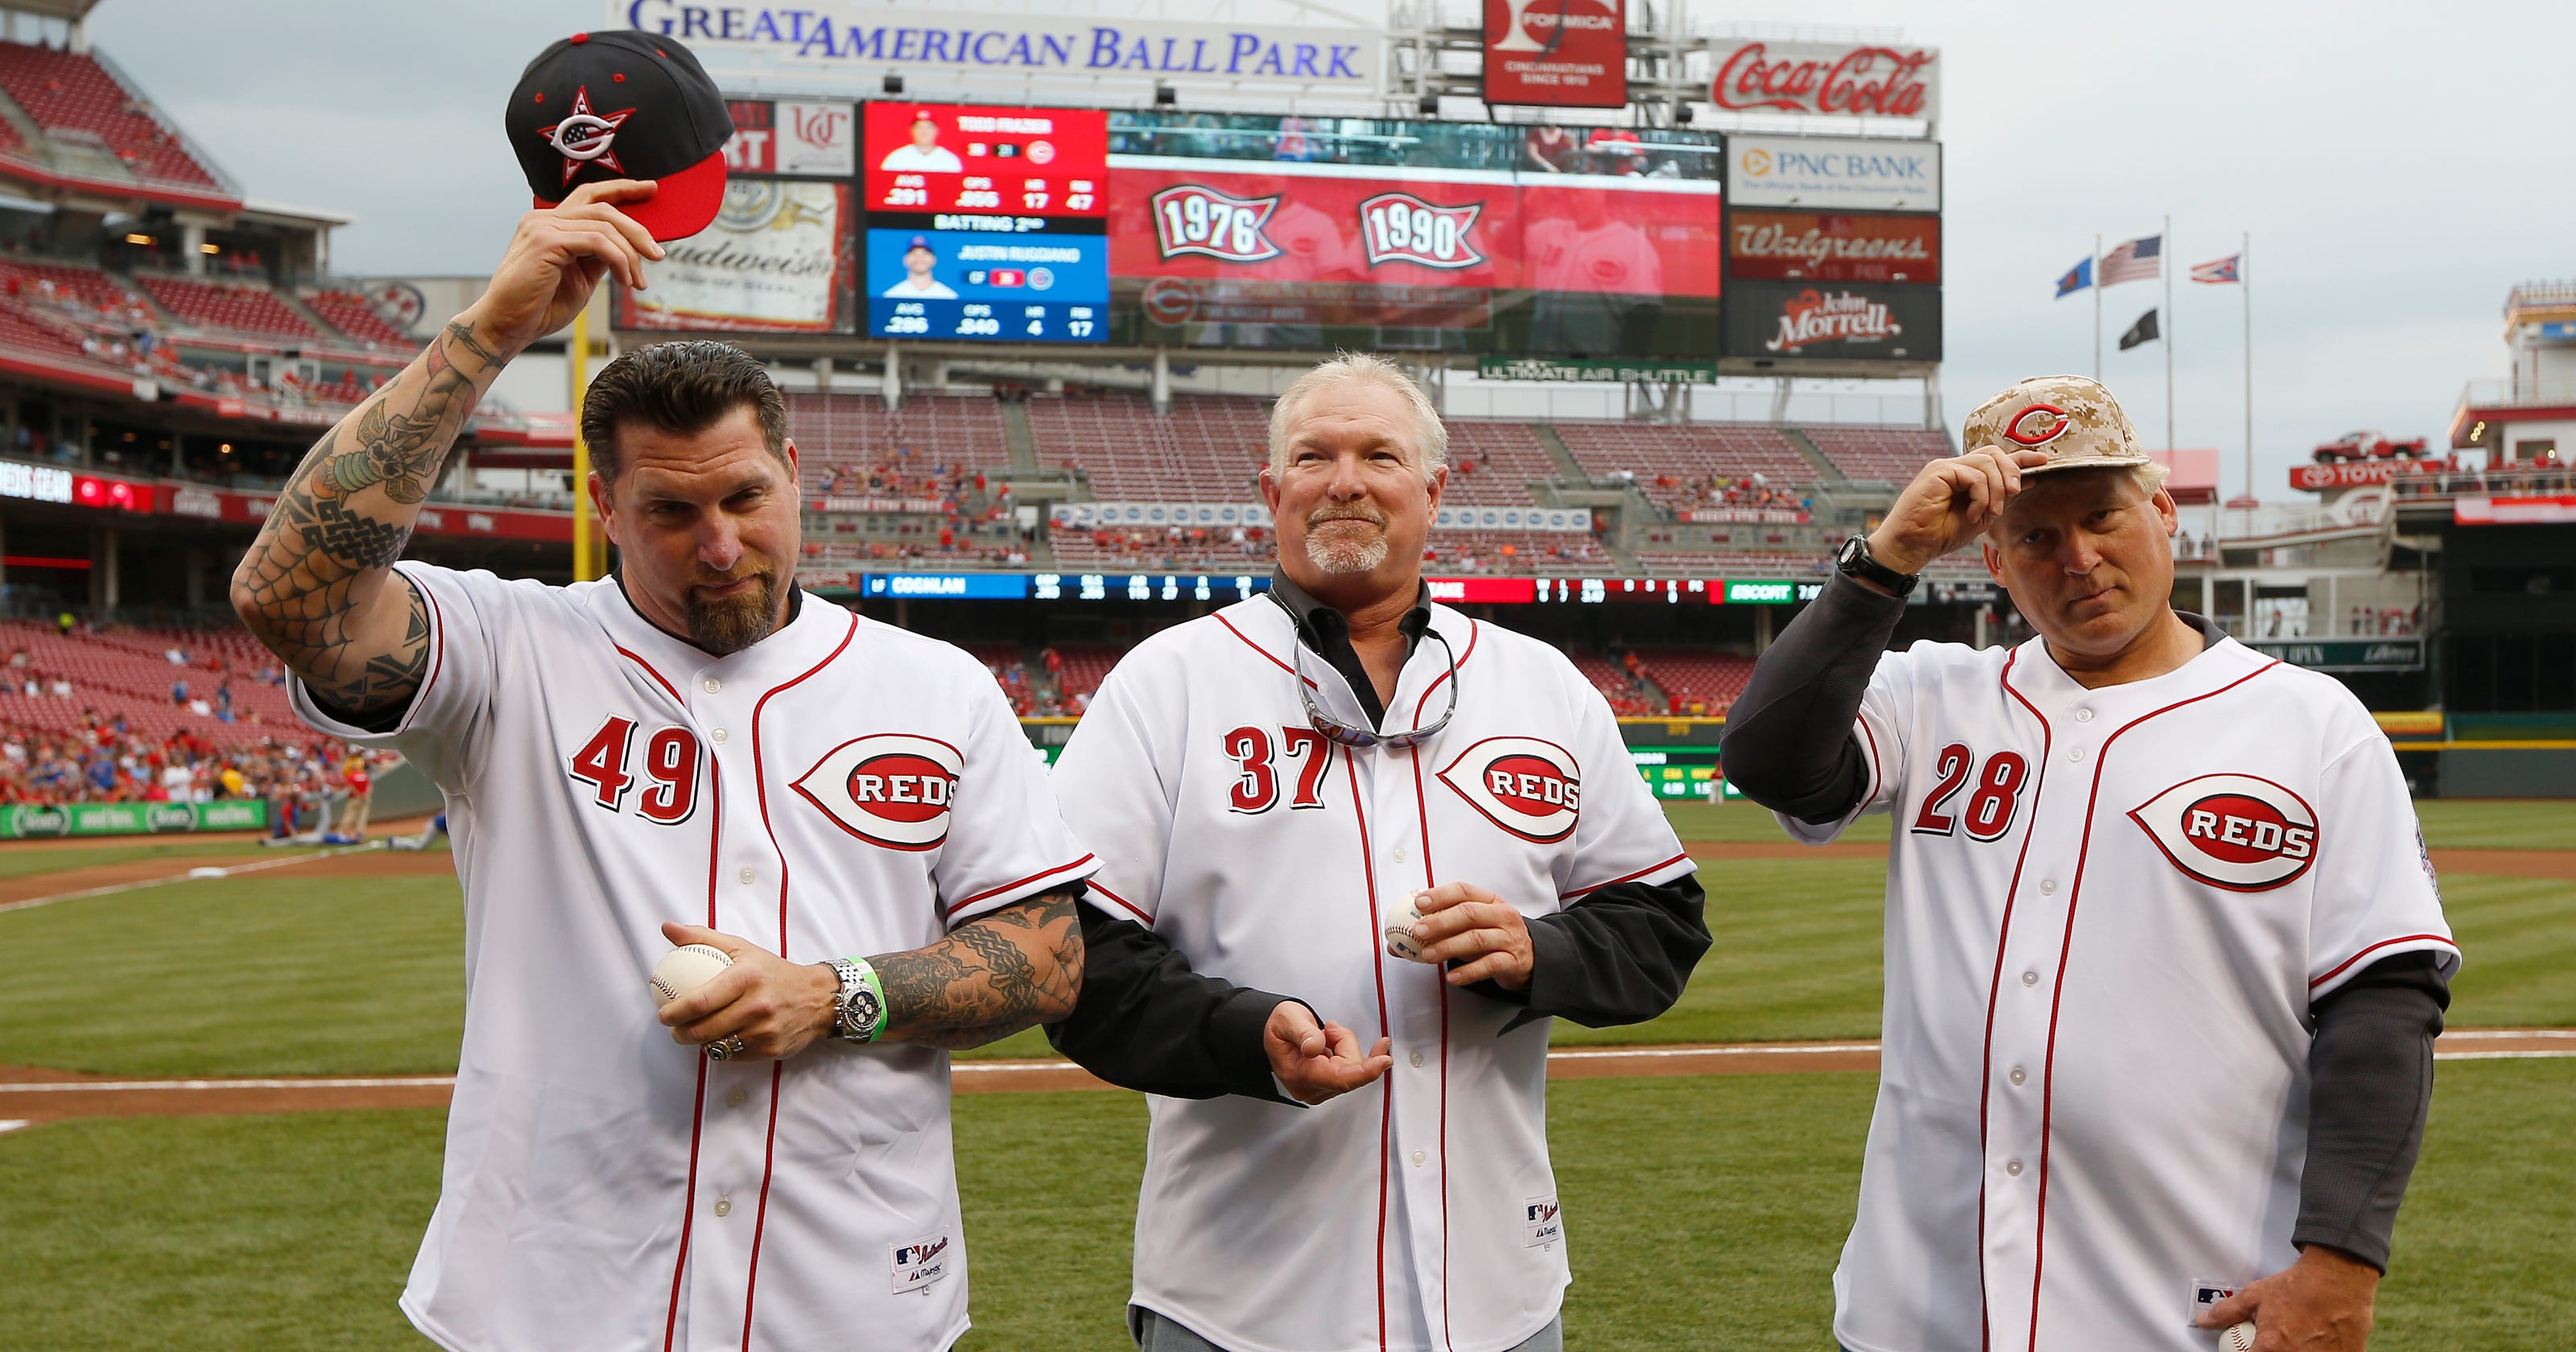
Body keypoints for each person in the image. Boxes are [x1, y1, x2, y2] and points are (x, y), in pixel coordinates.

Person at [229, 179, 1093, 1352]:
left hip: (846, 1295)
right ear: (605, 504)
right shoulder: (507, 651)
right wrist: (490, 331)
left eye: (746, 496)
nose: (722, 543)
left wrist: (835, 995)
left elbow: (1043, 964)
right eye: (672, 510)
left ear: (795, 470)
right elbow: (289, 595)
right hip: (554, 1295)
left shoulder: (935, 688)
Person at [1719, 375, 2458, 1352]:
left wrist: (2339, 1261)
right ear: (1991, 560)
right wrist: (1882, 561)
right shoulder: (1932, 694)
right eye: (2034, 536)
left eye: (2103, 515)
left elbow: (2383, 1003)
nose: (2078, 558)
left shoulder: (2309, 726)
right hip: (1921, 1309)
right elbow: (1768, 761)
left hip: (2184, 1309)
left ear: (2161, 511)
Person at [1044, 354, 1710, 1352]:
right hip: (1236, 1294)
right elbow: (1071, 956)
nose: (1345, 479)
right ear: (1272, 492)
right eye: (1313, 455)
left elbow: (1660, 924)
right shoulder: (1167, 683)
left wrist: (1539, 955)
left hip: (1499, 1291)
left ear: (1432, 490)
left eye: (1378, 455)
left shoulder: (1541, 686)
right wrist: (1245, 1034)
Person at [878, 110, 963, 172]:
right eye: (919, 127)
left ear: (936, 130)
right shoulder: (897, 157)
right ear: (912, 131)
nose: (924, 132)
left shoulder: (949, 160)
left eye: (928, 127)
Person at [884, 236, 958, 299]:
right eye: (914, 254)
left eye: (925, 254)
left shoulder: (948, 296)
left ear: (934, 259)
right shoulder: (892, 295)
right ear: (905, 260)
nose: (919, 259)